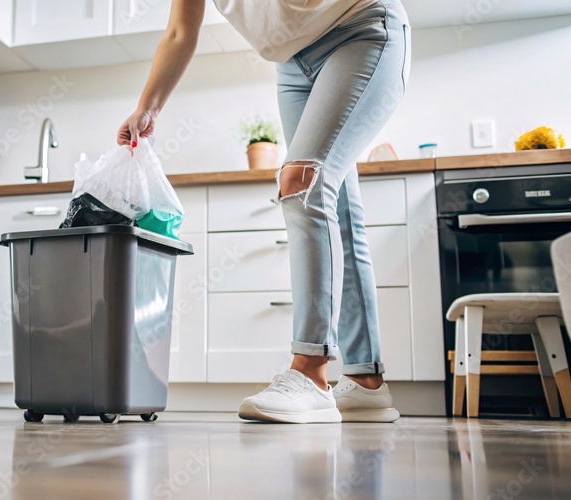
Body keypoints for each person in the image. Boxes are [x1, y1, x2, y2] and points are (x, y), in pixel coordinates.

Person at [118, 0, 411, 423]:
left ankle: (310, 371)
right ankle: (367, 383)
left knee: (302, 184)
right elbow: (180, 31)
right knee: (338, 211)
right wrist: (149, 106)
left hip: (362, 30)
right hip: (293, 66)